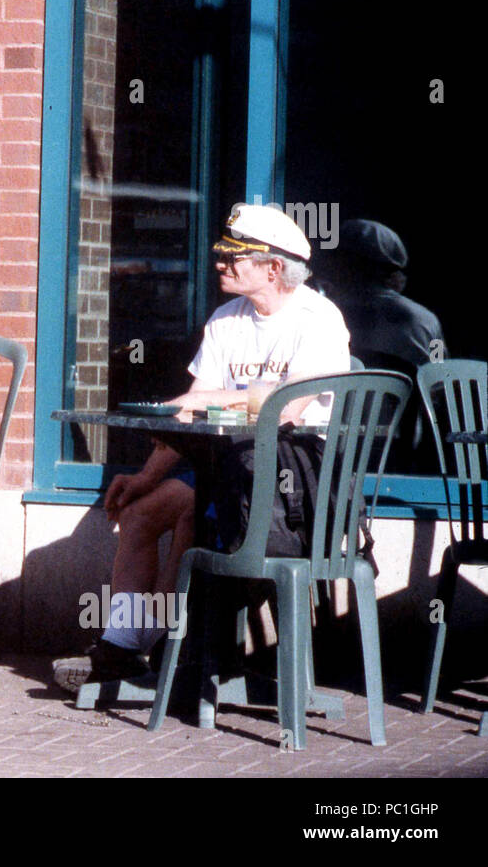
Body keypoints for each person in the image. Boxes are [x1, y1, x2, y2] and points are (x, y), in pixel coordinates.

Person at [54, 203, 351, 691]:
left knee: (196, 512)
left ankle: (178, 658)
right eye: (222, 254)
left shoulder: (318, 319)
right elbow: (189, 415)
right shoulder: (225, 319)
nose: (221, 264)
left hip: (295, 488)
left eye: (235, 256)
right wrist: (145, 476)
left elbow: (287, 410)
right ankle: (125, 647)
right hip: (228, 472)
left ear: (274, 268)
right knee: (142, 508)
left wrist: (206, 398)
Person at [314, 219, 445, 471]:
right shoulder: (425, 321)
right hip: (397, 454)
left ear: (342, 265)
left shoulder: (318, 314)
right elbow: (439, 386)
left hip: (326, 450)